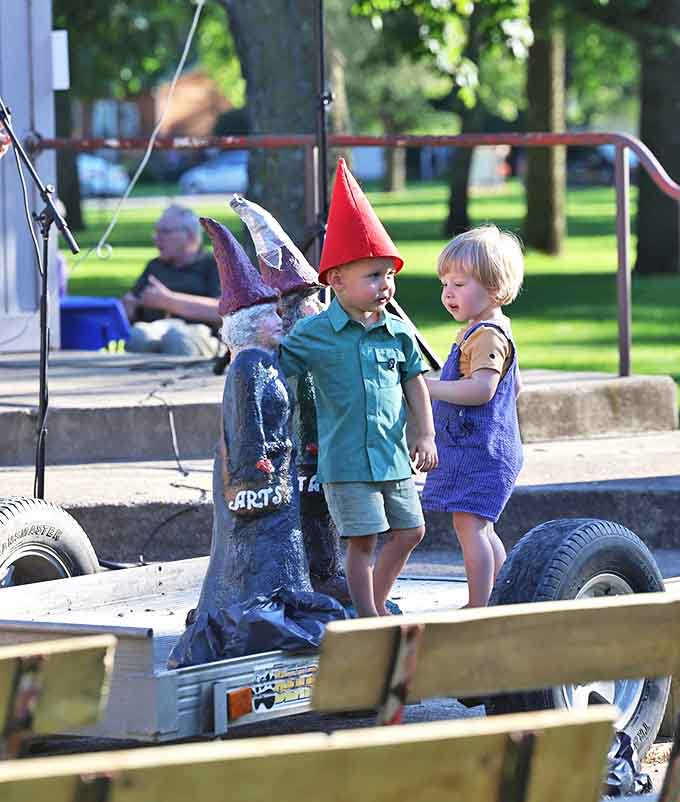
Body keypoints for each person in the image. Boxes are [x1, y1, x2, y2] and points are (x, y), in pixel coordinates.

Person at [279, 158, 438, 618]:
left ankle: (378, 602)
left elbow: (414, 382)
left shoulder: (398, 332)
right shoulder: (314, 333)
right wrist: (254, 347)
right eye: (373, 275)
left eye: (390, 275)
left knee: (411, 531)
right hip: (346, 462)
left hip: (392, 456)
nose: (385, 285)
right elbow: (278, 366)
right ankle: (368, 615)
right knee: (362, 540)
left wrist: (425, 433)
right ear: (336, 280)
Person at [230, 192, 351, 605]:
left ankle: (325, 571)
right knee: (299, 513)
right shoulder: (266, 359)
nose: (311, 309)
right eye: (301, 302)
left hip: (320, 443)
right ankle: (305, 575)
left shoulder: (317, 338)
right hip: (292, 450)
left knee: (320, 510)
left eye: (312, 299)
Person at [420, 225, 524, 608]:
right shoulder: (486, 330)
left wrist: (429, 389)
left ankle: (478, 605)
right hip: (485, 447)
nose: (448, 292)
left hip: (482, 452)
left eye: (460, 284)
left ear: (495, 289)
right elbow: (516, 386)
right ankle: (504, 596)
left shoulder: (486, 336)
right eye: (445, 283)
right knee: (480, 526)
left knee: (471, 527)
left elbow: (483, 390)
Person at [122, 204, 222, 356]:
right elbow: (132, 305)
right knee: (137, 336)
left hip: (202, 333)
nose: (156, 237)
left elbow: (225, 312)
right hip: (155, 328)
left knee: (177, 339)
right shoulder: (155, 266)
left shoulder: (214, 264)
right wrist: (127, 308)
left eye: (165, 232)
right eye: (156, 231)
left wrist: (169, 301)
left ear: (191, 236)